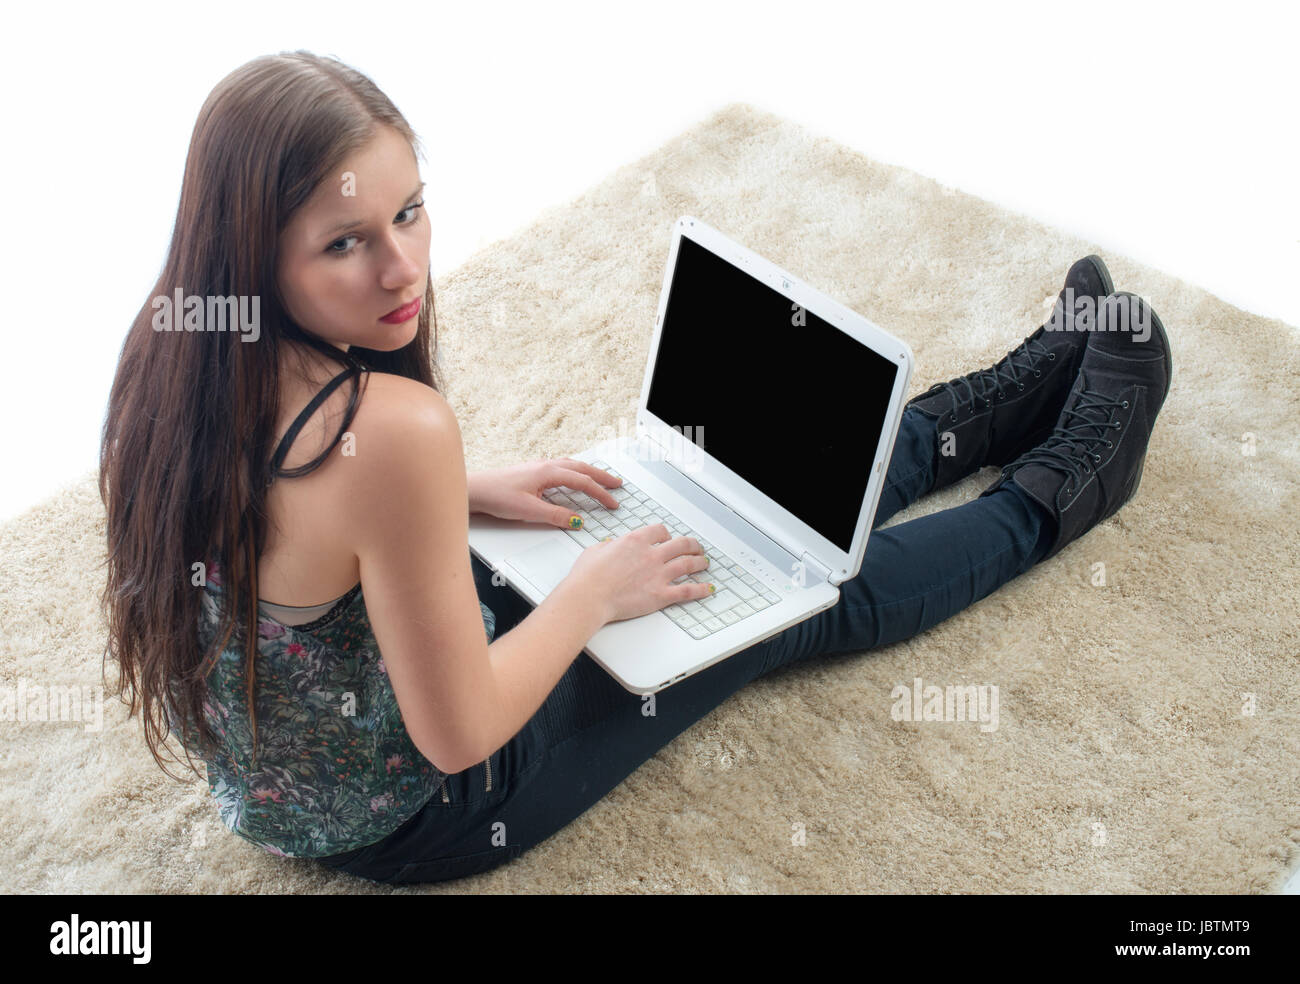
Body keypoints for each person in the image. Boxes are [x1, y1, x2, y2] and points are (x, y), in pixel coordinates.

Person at [98, 51, 1171, 885]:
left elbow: (286, 523)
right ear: (251, 249)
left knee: (735, 508)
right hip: (423, 806)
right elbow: (459, 729)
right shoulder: (390, 432)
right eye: (344, 242)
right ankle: (1065, 485)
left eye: (410, 210)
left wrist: (452, 500)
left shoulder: (172, 353)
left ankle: (979, 410)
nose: (402, 266)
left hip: (294, 767)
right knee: (782, 597)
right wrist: (589, 597)